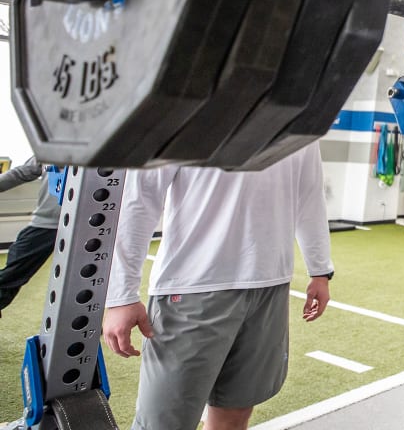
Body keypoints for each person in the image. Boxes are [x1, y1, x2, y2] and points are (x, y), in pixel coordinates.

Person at [102, 144, 333, 430]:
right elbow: (140, 198)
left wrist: (320, 271)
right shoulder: (183, 104)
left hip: (269, 285)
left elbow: (309, 194)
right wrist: (120, 295)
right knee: (162, 424)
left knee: (234, 414)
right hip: (193, 286)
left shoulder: (303, 112)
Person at [0, 157, 53, 317]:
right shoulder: (53, 145)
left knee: (84, 277)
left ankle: (81, 325)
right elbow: (23, 172)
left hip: (89, 225)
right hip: (47, 222)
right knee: (10, 276)